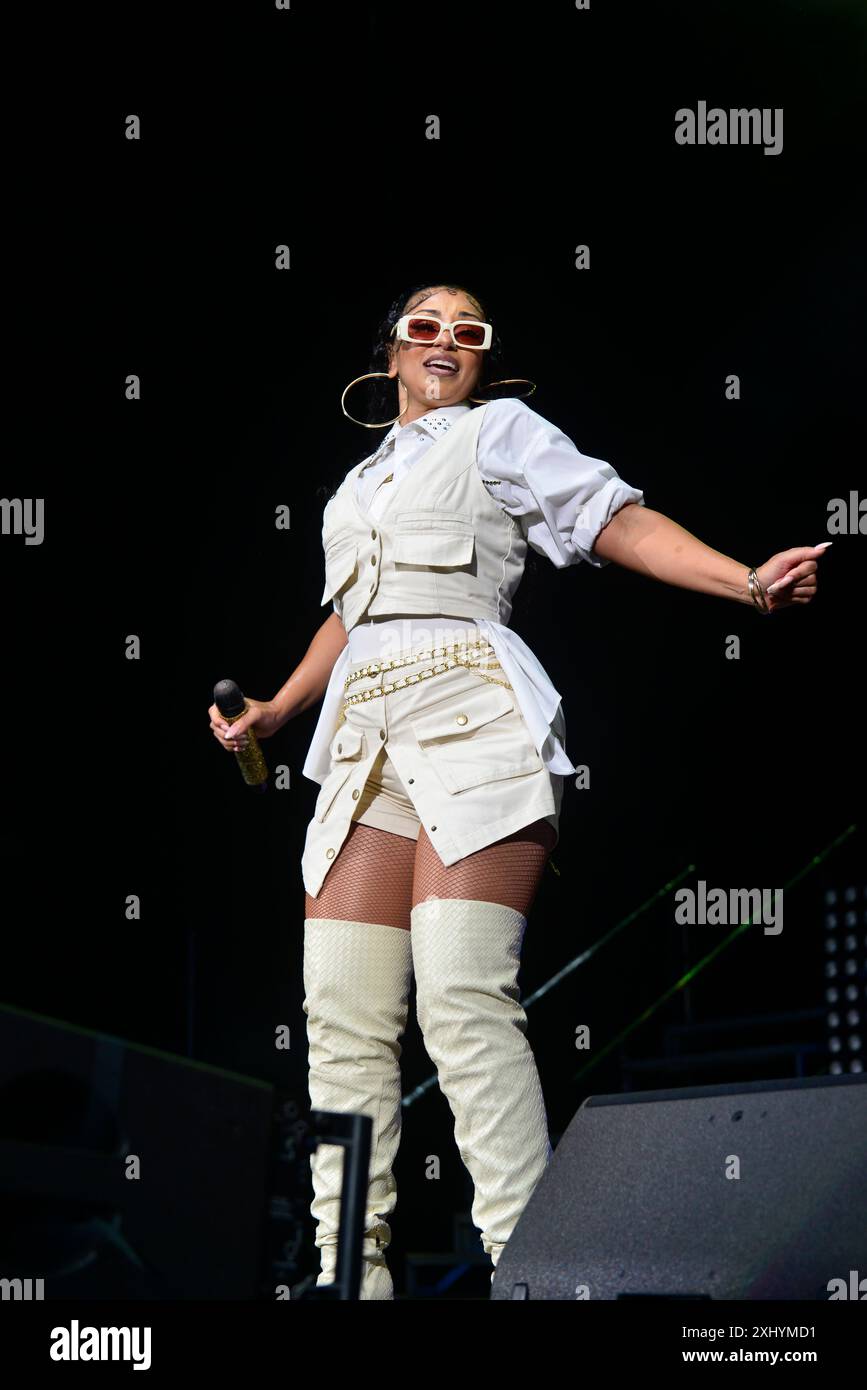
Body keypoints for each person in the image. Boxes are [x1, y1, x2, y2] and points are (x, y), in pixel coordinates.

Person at [208, 282, 827, 1299]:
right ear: (391, 355)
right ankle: (345, 1281)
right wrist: (277, 709)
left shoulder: (499, 431)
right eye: (425, 327)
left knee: (460, 997)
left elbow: (614, 519)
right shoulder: (362, 480)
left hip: (470, 719)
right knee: (344, 1020)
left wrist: (744, 582)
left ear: (483, 361)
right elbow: (355, 616)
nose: (445, 340)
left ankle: (533, 1280)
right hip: (362, 735)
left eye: (468, 331)